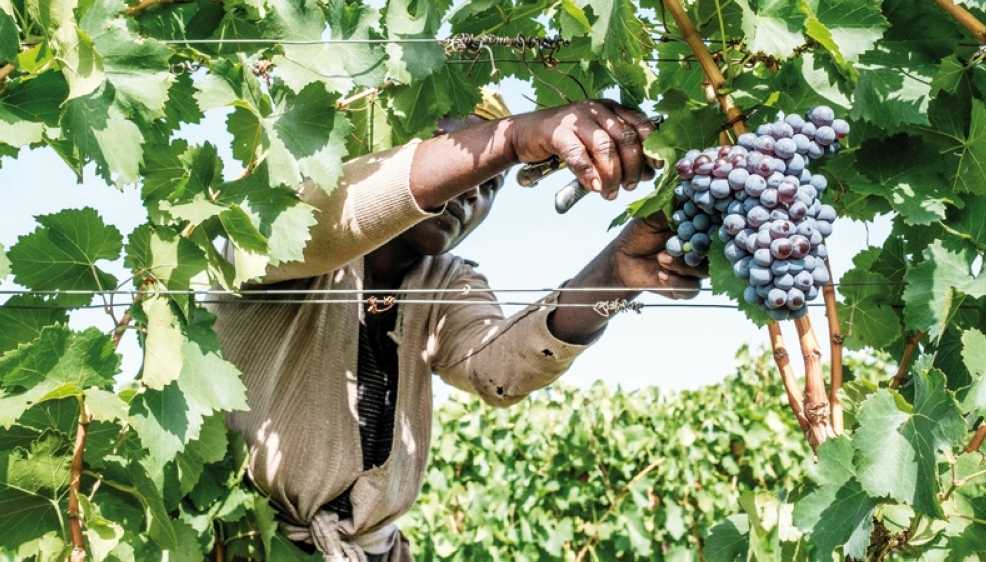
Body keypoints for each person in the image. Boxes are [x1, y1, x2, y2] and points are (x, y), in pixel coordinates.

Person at [211, 90, 706, 561]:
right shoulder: (279, 229)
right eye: (458, 157)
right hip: (242, 540)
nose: (471, 193)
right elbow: (338, 217)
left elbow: (498, 368)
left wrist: (615, 272)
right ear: (387, 147)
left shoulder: (447, 281)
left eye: (489, 186)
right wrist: (510, 140)